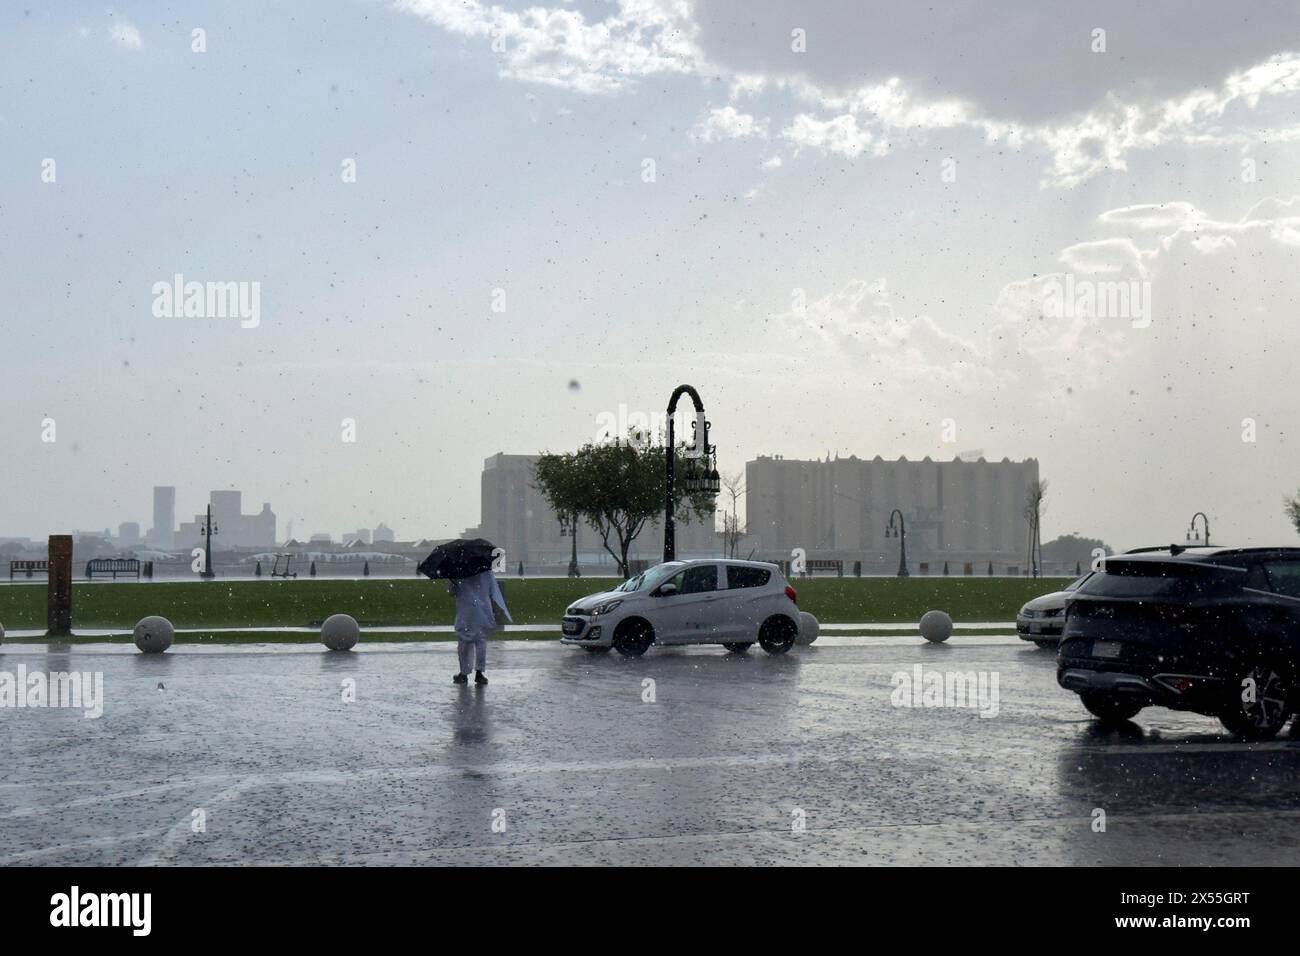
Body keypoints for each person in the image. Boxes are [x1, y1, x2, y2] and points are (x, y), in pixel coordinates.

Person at [446, 569, 511, 685]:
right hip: (483, 608)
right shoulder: (485, 570)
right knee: (481, 641)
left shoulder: (458, 571)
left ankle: (464, 673)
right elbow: (492, 589)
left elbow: (452, 592)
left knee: (464, 641)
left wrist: (453, 581)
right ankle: (479, 673)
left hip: (466, 609)